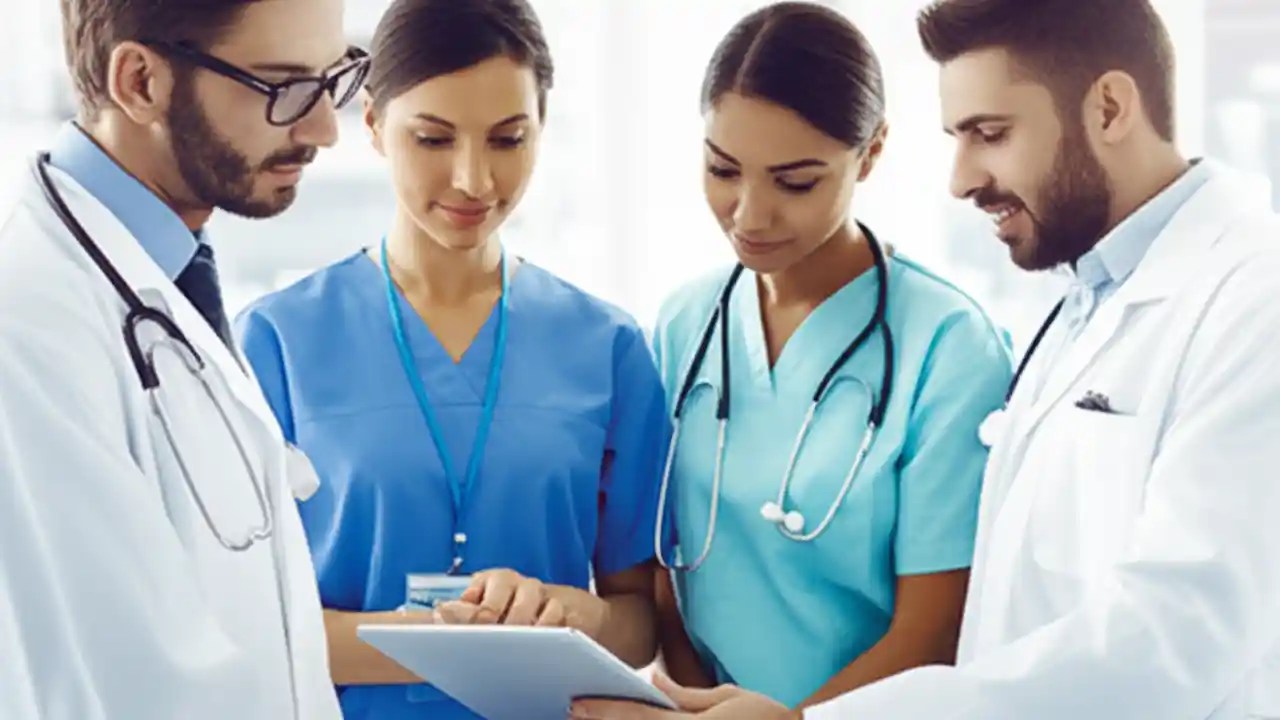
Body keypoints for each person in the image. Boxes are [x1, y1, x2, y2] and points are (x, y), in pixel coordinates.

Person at [573, 0, 1280, 719]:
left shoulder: (1254, 300)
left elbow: (1180, 629)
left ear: (1108, 106)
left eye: (991, 134)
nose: (960, 178)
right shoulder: (1082, 299)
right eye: (958, 136)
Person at [233, 1, 670, 718]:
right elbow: (247, 625)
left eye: (507, 139)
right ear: (372, 125)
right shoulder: (276, 342)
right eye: (434, 139)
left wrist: (574, 616)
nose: (473, 180)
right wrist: (453, 638)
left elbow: (639, 624)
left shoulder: (608, 347)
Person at [611, 1, 1012, 714]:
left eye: (795, 181)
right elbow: (667, 564)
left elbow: (937, 627)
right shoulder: (684, 322)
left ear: (872, 152)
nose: (749, 214)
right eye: (723, 170)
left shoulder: (949, 346)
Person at [0, 0, 368, 718]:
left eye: (334, 80)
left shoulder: (165, 283)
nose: (325, 127)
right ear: (140, 82)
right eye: (285, 89)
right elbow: (121, 688)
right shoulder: (32, 325)